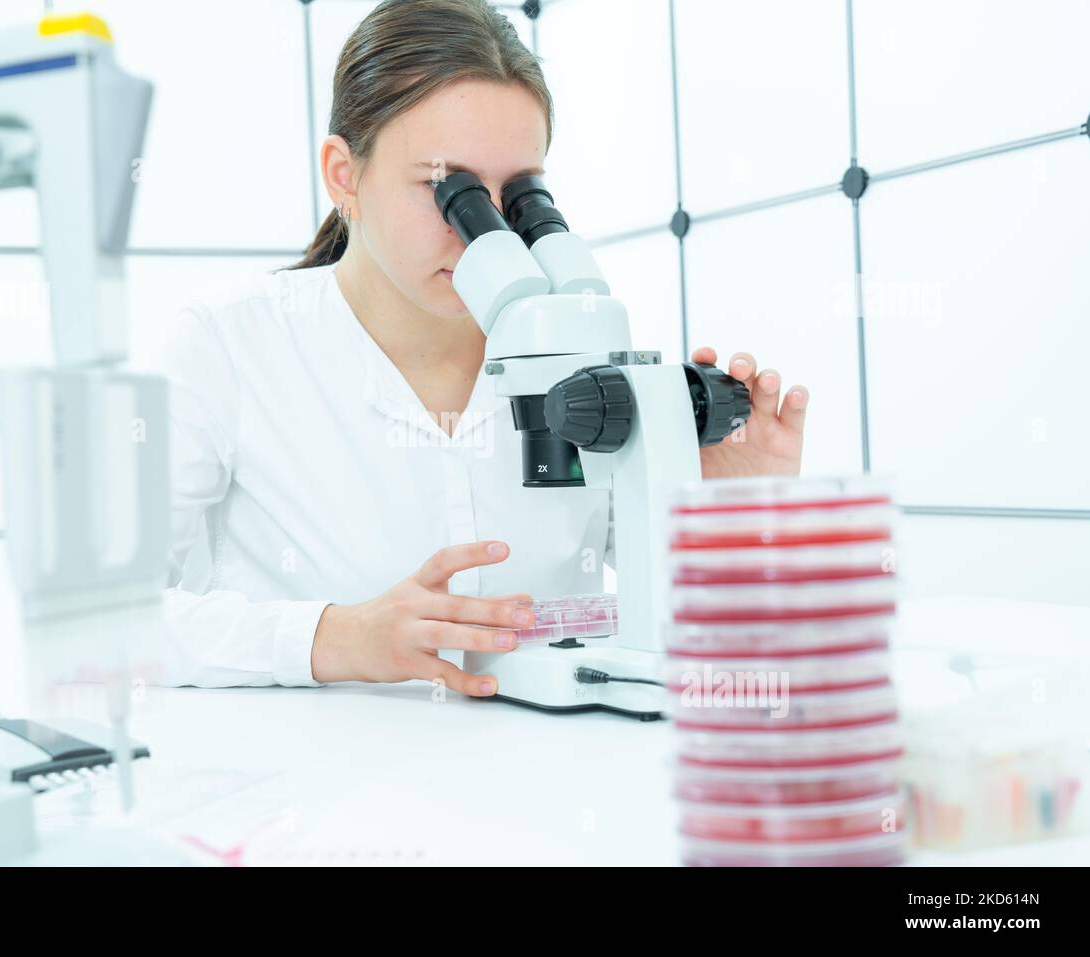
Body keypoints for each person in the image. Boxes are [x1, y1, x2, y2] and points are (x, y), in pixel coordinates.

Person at [159, 0, 808, 698]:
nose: (487, 234)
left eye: (520, 195)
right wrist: (334, 636)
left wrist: (726, 511)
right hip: (326, 789)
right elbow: (92, 628)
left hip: (556, 784)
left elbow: (695, 636)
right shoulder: (230, 346)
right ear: (344, 174)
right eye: (449, 190)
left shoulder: (572, 351)